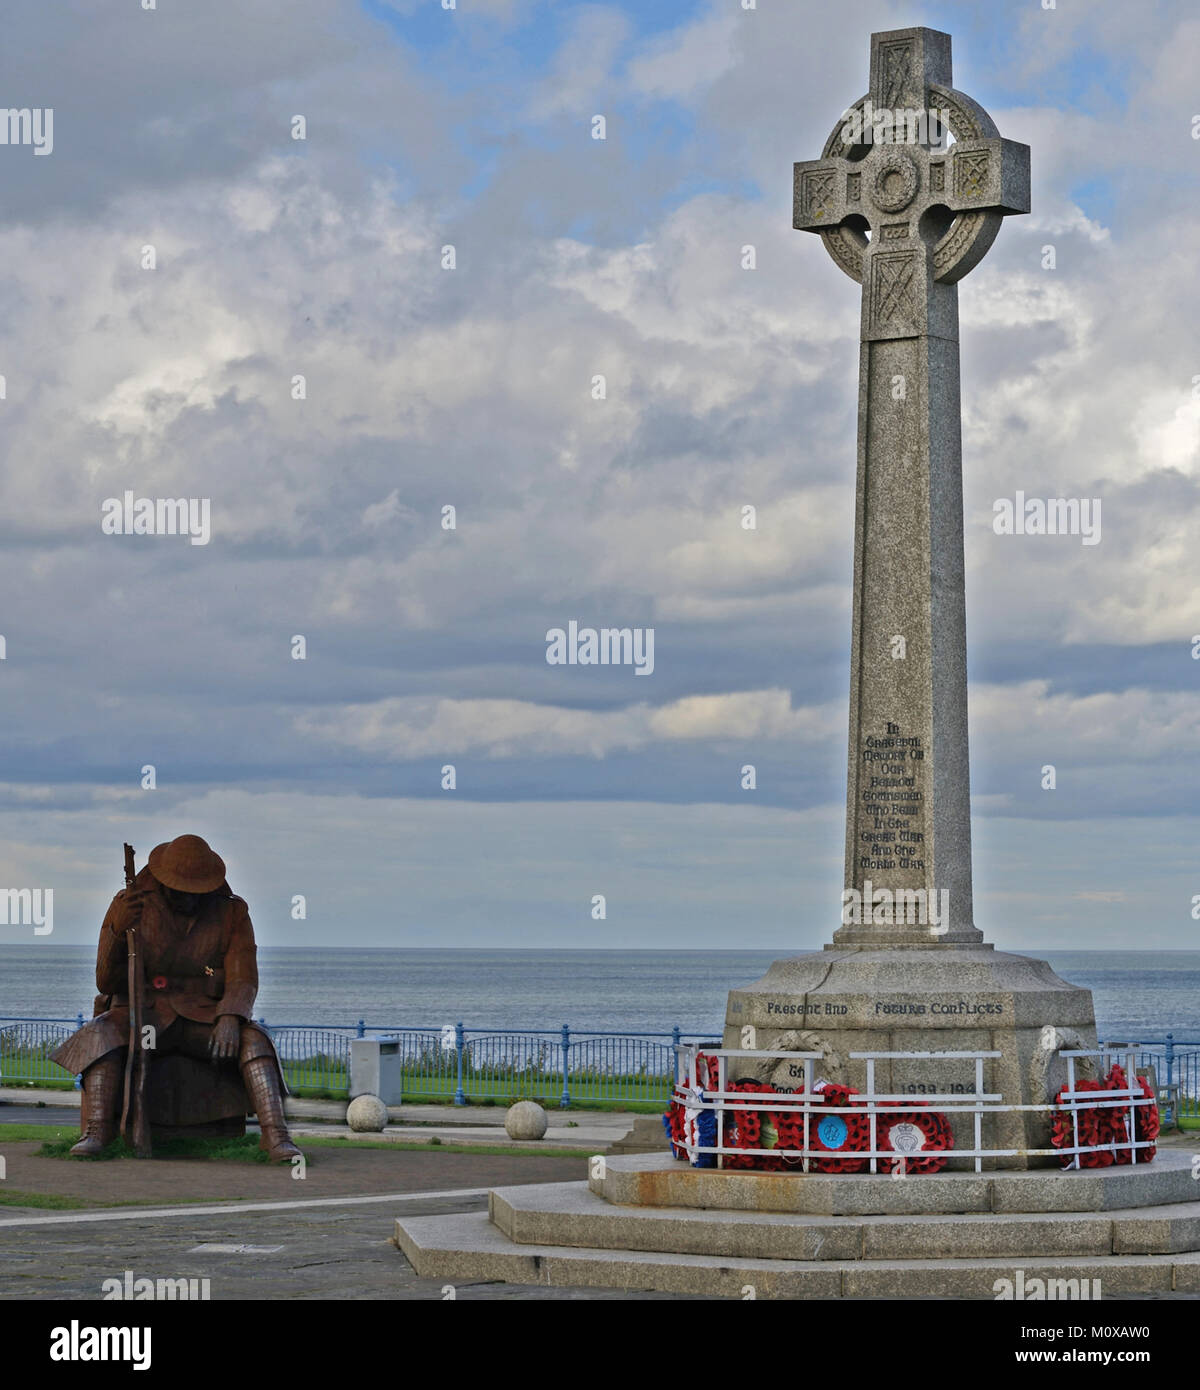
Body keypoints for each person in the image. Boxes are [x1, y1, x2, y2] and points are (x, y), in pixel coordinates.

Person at [52, 834, 301, 1161]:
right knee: (101, 1032)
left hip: (203, 1018)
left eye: (196, 891)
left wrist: (230, 1016)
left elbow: (244, 976)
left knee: (254, 1041)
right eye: (181, 890)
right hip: (145, 1017)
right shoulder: (130, 905)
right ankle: (98, 1130)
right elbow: (105, 981)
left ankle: (276, 1136)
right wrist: (117, 931)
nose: (188, 899)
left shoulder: (232, 913)